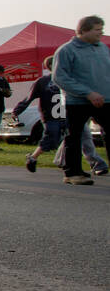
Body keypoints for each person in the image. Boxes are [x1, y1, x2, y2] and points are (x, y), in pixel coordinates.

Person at [14, 55, 108, 175]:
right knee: (52, 140)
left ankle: (97, 164)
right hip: (52, 116)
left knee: (84, 138)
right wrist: (17, 111)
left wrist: (93, 113)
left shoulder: (71, 79)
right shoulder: (43, 82)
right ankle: (35, 157)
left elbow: (84, 96)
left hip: (73, 115)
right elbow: (29, 97)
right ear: (50, 67)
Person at [52, 15, 110, 186]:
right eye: (97, 30)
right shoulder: (66, 50)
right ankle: (73, 173)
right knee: (74, 137)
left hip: (105, 100)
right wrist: (87, 93)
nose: (101, 33)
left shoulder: (102, 48)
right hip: (78, 102)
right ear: (83, 31)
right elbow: (60, 77)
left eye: (102, 29)